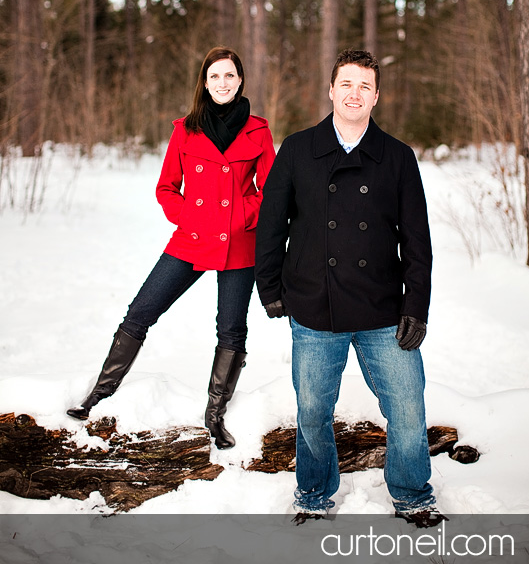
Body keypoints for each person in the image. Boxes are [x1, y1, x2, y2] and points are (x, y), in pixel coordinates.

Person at [255, 48, 446, 528]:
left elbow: (417, 242)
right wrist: (270, 286)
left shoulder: (398, 157)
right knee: (313, 409)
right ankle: (314, 493)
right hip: (315, 308)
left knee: (406, 407)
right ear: (331, 90)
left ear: (376, 96)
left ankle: (411, 492)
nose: (355, 93)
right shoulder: (298, 149)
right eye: (347, 84)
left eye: (365, 86)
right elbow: (271, 223)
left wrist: (416, 307)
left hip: (384, 309)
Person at [67, 46, 276, 450]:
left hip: (238, 241)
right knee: (141, 310)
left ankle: (215, 416)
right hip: (192, 238)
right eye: (214, 76)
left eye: (229, 76)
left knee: (231, 327)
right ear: (205, 81)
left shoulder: (258, 131)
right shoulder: (184, 129)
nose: (222, 83)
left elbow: (268, 192)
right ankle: (100, 393)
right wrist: (194, 219)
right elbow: (166, 189)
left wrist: (235, 218)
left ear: (240, 80)